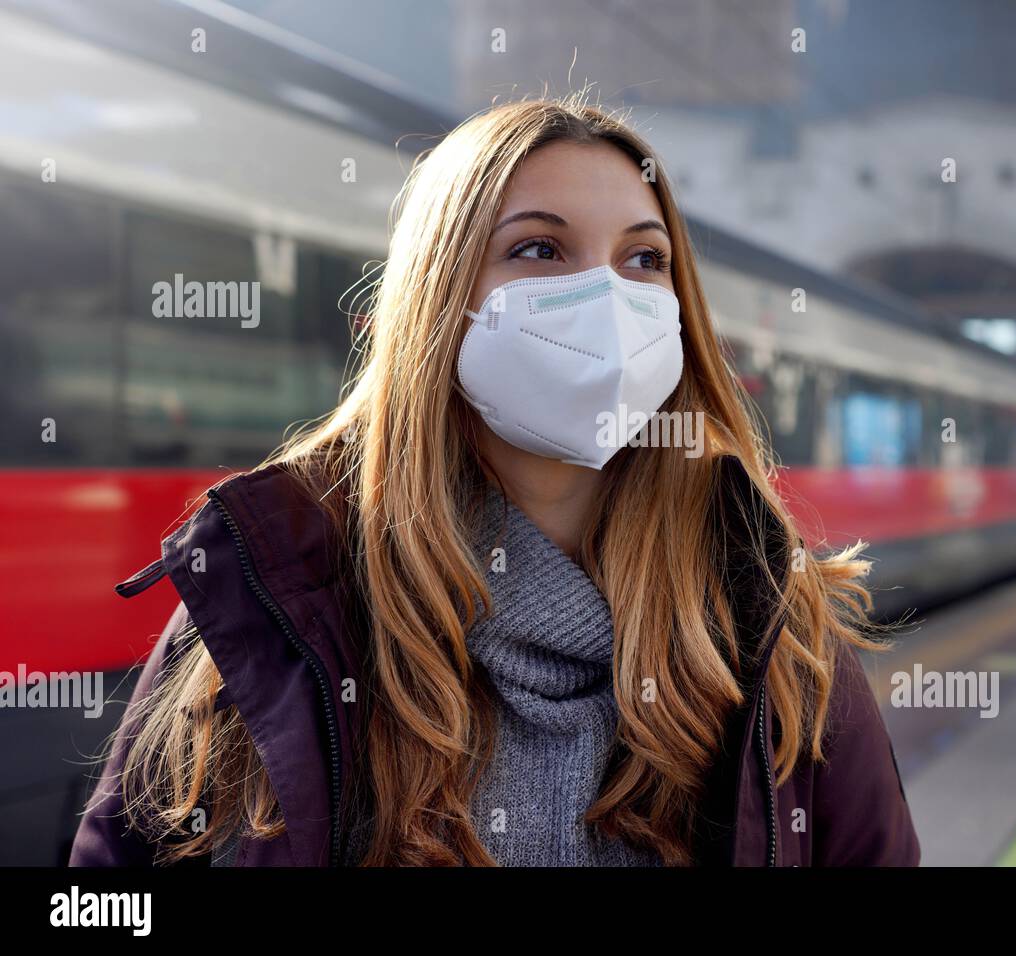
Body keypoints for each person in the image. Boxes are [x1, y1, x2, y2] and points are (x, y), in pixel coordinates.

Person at [70, 97, 920, 867]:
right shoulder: (280, 595)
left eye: (644, 258)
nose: (608, 299)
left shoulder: (771, 618)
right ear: (442, 297)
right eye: (540, 248)